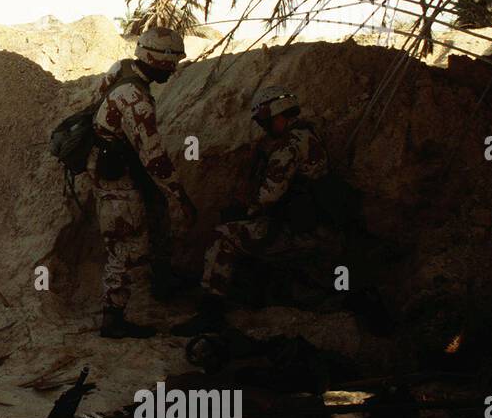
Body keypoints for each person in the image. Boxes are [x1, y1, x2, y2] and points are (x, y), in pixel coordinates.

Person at [172, 85, 330, 336]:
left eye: (267, 121)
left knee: (223, 237)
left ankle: (211, 312)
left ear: (279, 114)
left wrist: (244, 204)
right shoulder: (307, 135)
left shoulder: (288, 147)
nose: (265, 128)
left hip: (297, 231)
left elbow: (268, 196)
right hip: (314, 225)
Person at [88, 26, 195, 339]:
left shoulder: (121, 69)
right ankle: (113, 316)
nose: (173, 71)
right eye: (171, 63)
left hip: (115, 159)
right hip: (115, 172)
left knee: (154, 211)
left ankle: (163, 281)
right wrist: (181, 196)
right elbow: (155, 159)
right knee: (124, 240)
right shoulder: (137, 101)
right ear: (159, 61)